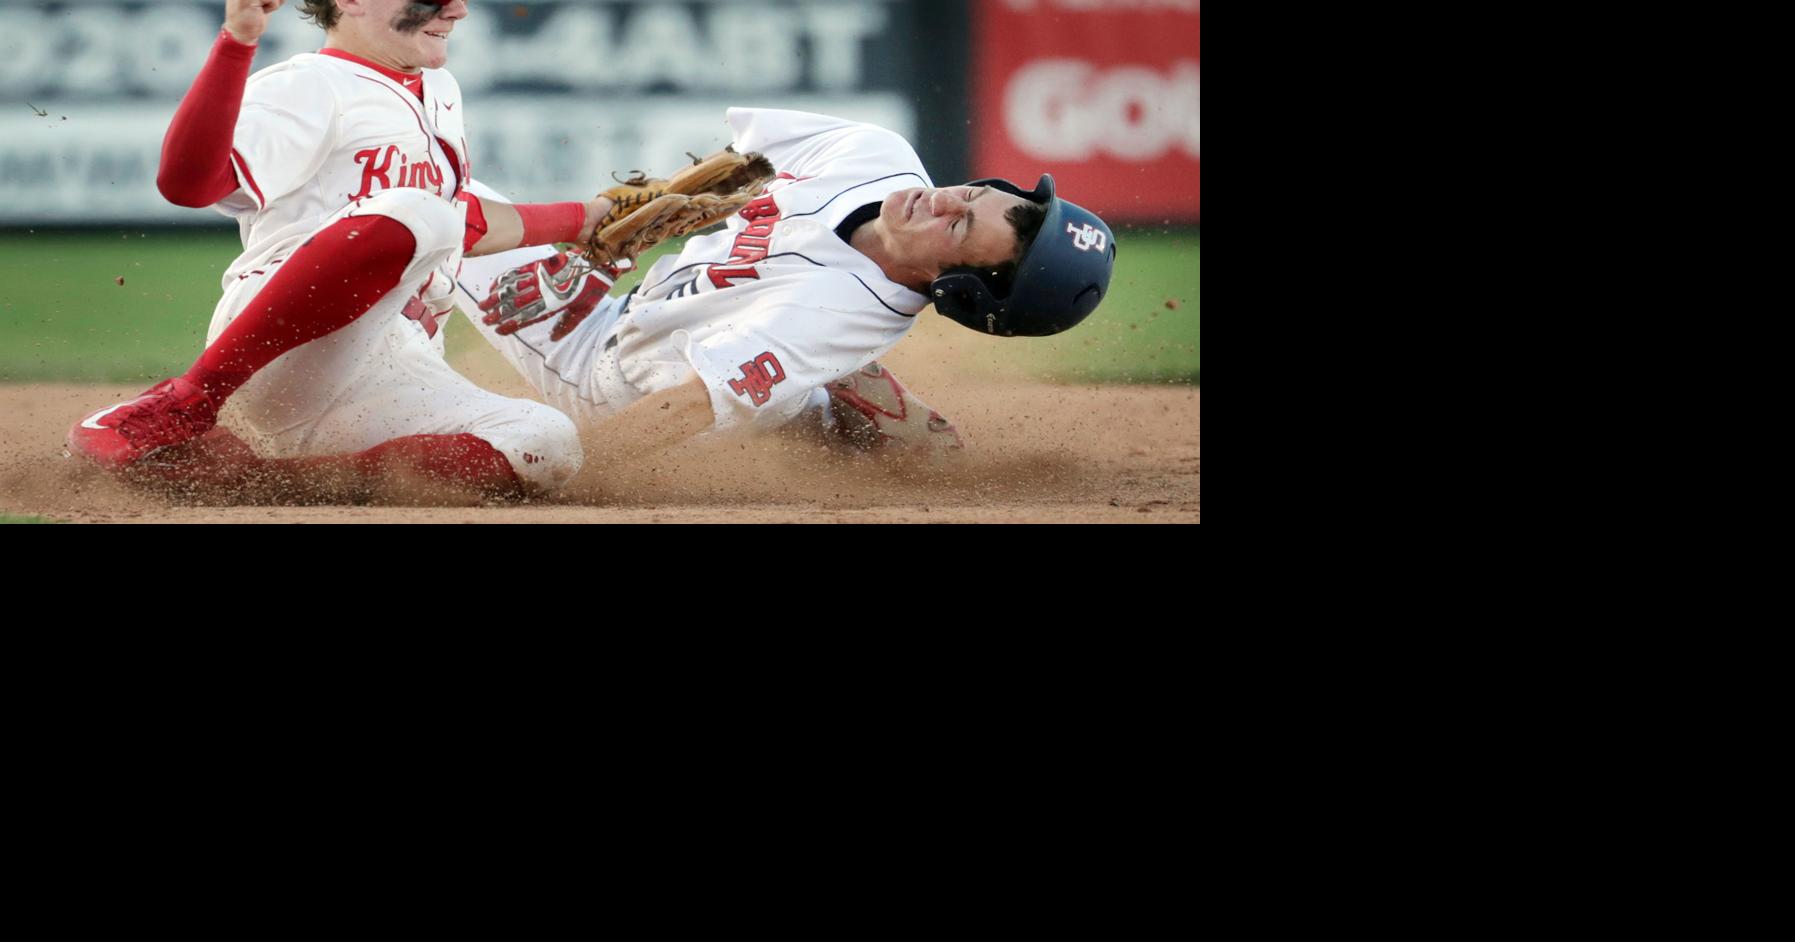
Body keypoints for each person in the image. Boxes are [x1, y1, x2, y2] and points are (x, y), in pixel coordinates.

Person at [65, 0, 615, 499]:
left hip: (390, 366)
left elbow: (458, 222)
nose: (457, 10)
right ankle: (184, 401)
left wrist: (584, 220)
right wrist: (237, 43)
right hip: (281, 345)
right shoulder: (308, 84)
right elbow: (188, 185)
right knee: (418, 210)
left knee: (544, 442)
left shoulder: (439, 89)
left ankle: (255, 482)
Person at [454, 106, 1119, 474]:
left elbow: (682, 410)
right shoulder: (875, 154)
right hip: (640, 307)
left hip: (614, 377)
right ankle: (821, 403)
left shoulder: (835, 315)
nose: (943, 199)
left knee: (753, 379)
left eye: (959, 225)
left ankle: (815, 400)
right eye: (970, 195)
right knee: (441, 199)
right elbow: (740, 165)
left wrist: (557, 478)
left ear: (958, 290)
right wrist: (629, 220)